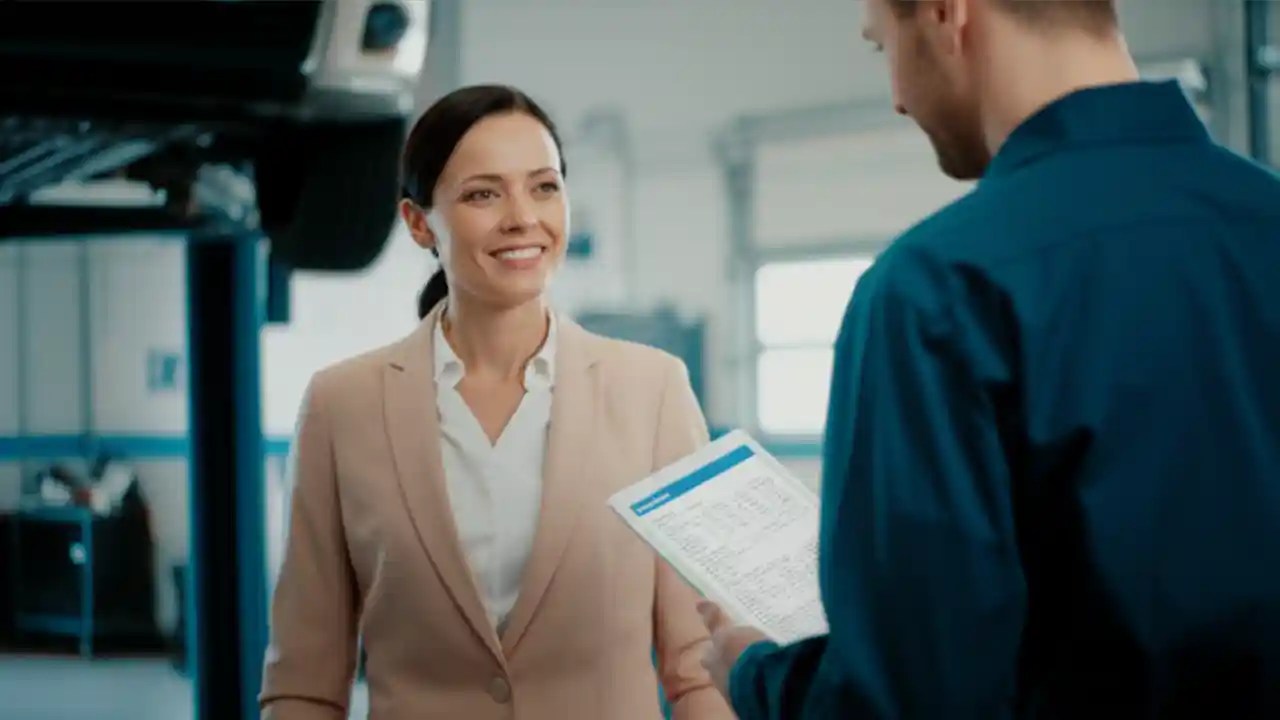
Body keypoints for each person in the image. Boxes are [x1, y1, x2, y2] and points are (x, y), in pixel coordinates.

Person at [699, 0, 1280, 717]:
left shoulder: (938, 290)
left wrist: (753, 674)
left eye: (885, 50)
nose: (899, 99)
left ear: (947, 14)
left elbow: (909, 700)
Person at [260, 84, 735, 720]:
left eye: (544, 186)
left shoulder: (654, 391)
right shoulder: (340, 406)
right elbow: (305, 684)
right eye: (484, 193)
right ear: (419, 221)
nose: (522, 217)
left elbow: (699, 666)